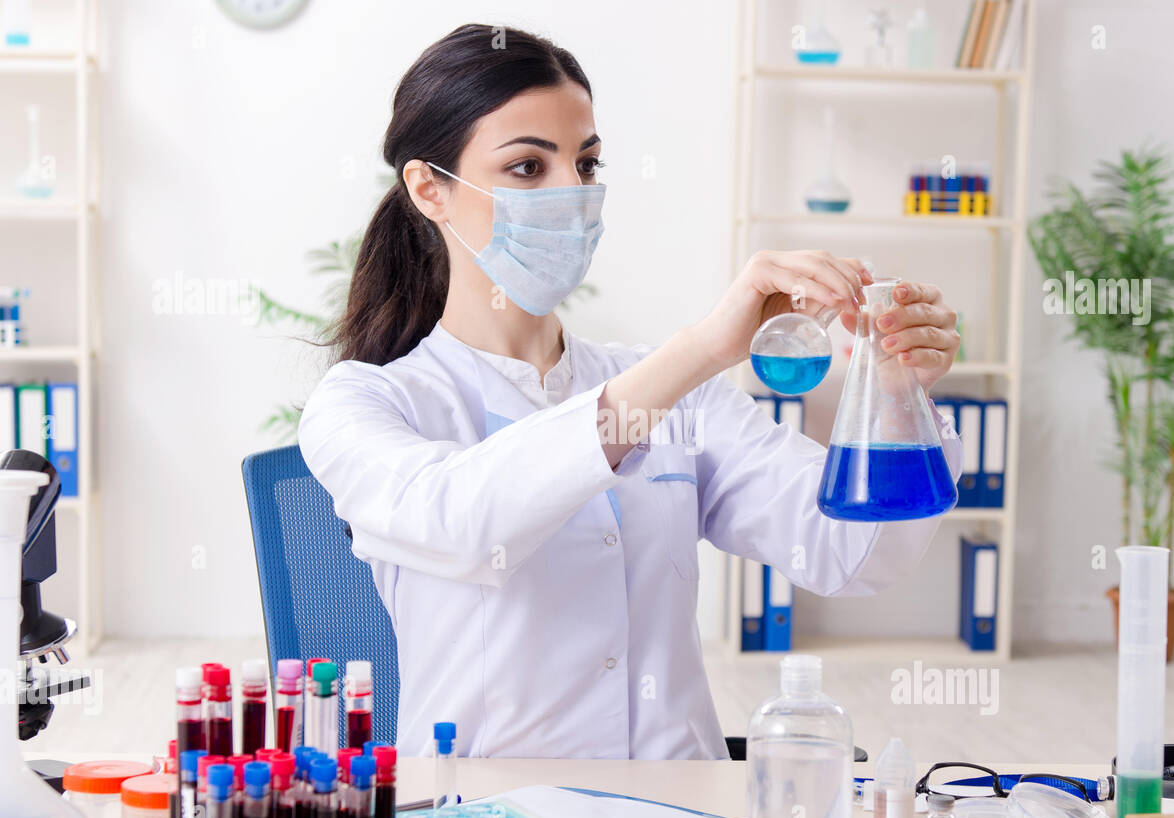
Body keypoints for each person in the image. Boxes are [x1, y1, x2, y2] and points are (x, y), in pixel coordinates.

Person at [299, 24, 962, 759]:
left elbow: (855, 552)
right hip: (489, 815)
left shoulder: (685, 396)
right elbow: (463, 524)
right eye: (526, 167)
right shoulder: (365, 403)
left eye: (585, 164)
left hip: (680, 807)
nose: (572, 195)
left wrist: (894, 392)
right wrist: (704, 349)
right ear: (431, 189)